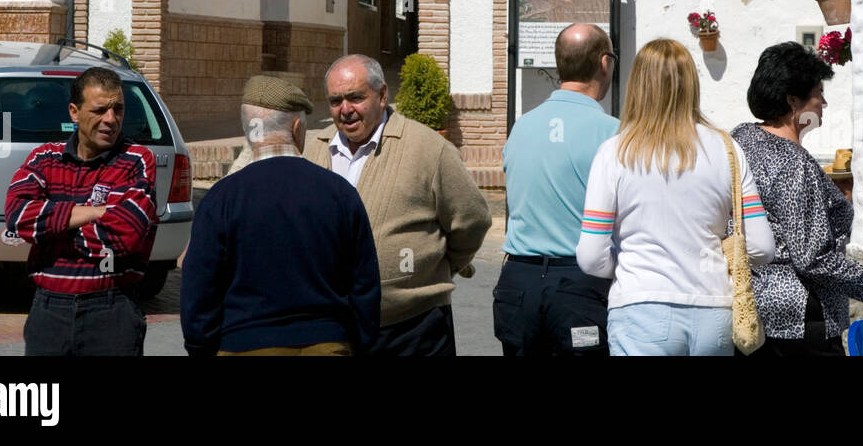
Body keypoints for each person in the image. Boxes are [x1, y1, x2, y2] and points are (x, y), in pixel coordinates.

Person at [577, 38, 777, 356]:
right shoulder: (728, 150)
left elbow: (590, 256)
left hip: (640, 308)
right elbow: (763, 247)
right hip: (715, 312)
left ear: (637, 85)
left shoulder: (614, 153)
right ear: (692, 85)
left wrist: (629, 267)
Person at [304, 53, 491, 356]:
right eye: (336, 101)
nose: (346, 110)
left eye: (355, 97)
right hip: (334, 329)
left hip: (414, 329)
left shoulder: (428, 148)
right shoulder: (314, 151)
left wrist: (430, 268)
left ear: (381, 95)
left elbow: (471, 220)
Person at [180, 75, 380, 356]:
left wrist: (201, 347)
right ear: (297, 128)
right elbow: (364, 285)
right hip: (328, 344)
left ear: (248, 131)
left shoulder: (220, 199)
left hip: (244, 345)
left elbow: (199, 288)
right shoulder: (339, 192)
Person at [732, 42, 863, 356]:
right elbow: (812, 258)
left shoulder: (740, 140)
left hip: (748, 308)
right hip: (800, 320)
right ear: (794, 101)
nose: (824, 102)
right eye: (819, 92)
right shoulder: (795, 165)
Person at [5, 66, 157, 356]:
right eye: (100, 110)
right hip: (49, 311)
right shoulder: (44, 158)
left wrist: (52, 228)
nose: (110, 120)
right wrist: (95, 212)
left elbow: (124, 236)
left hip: (112, 309)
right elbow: (19, 217)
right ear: (74, 112)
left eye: (118, 110)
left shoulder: (137, 160)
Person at [494, 23, 621, 356]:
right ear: (604, 63)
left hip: (518, 281)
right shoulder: (613, 134)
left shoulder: (521, 127)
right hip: (579, 283)